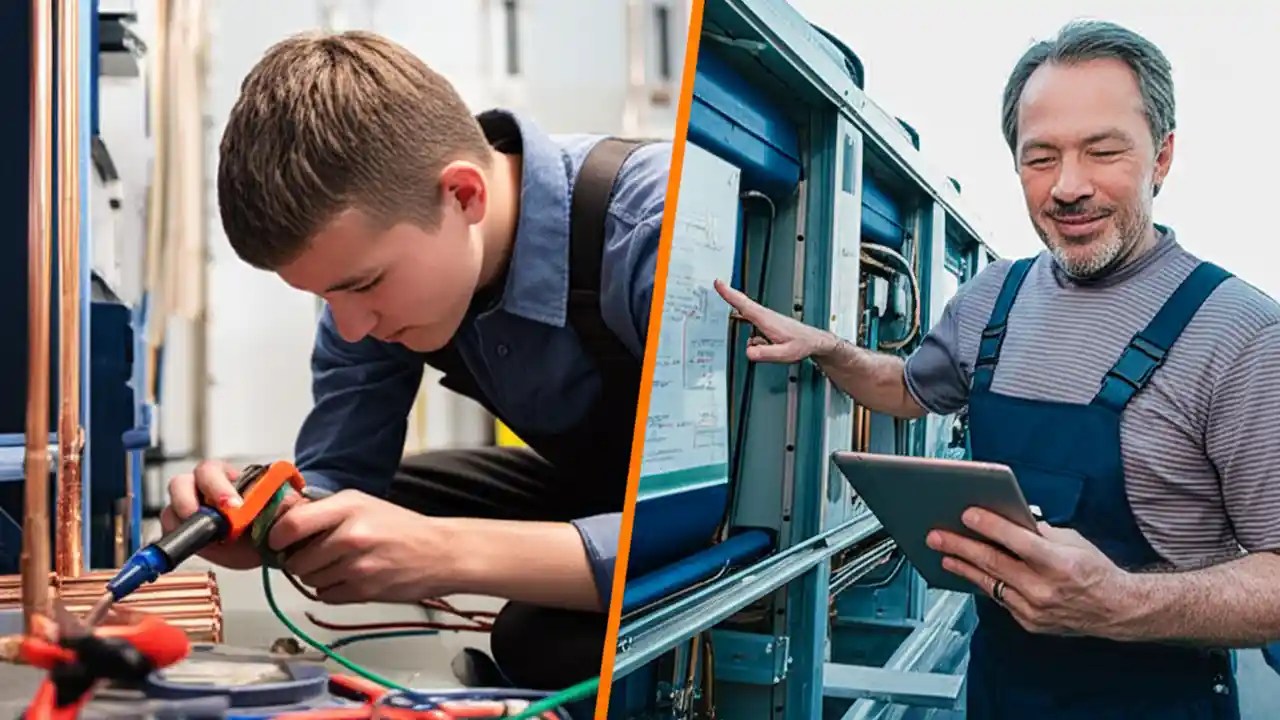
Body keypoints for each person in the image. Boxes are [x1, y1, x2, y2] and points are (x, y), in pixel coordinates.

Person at [715, 19, 1280, 720]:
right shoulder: (993, 299)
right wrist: (832, 350)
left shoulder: (1243, 333)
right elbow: (907, 390)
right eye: (1040, 158)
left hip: (1158, 698)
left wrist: (1120, 604)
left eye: (1103, 152)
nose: (1067, 186)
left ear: (1161, 158)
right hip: (1000, 685)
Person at [157, 30, 670, 690]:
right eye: (322, 297)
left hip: (709, 514)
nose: (350, 326)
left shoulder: (653, 231)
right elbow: (338, 479)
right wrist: (257, 519)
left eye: (365, 285)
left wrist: (447, 553)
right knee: (365, 514)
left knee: (541, 642)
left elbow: (731, 525)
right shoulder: (372, 279)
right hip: (607, 490)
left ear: (463, 196)